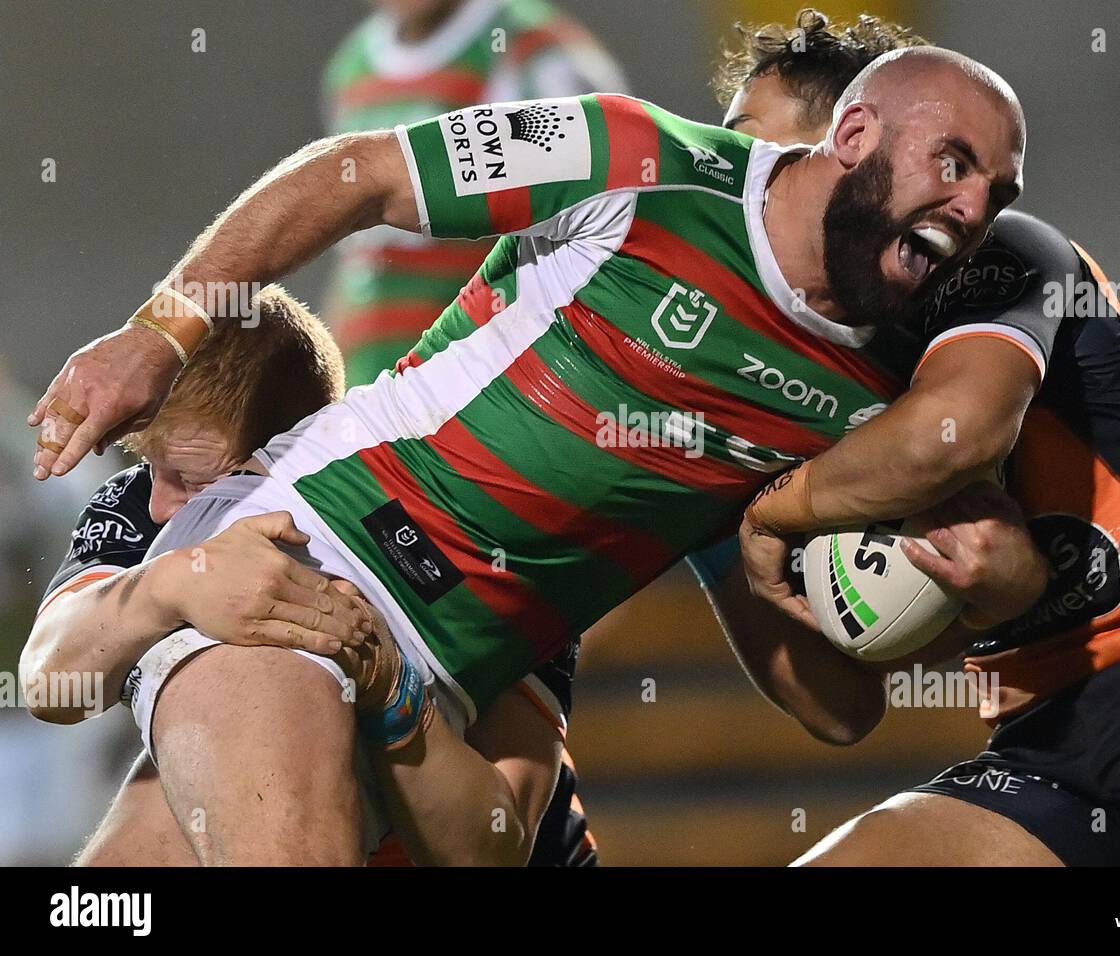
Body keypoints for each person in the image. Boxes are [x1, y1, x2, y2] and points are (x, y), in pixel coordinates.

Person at [29, 47, 1034, 862]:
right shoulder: (633, 153)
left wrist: (956, 583)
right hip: (310, 548)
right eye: (952, 161)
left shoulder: (873, 410)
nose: (975, 204)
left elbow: (839, 704)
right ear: (851, 134)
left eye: (997, 188)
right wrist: (159, 335)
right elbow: (365, 171)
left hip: (439, 690)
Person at [704, 8, 1120, 867]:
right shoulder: (780, 381)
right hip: (1039, 732)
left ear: (855, 142)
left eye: (757, 150)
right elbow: (840, 708)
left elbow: (952, 440)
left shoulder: (1002, 262)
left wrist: (767, 512)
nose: (734, 180)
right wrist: (706, 517)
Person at [22, 286, 595, 865]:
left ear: (295, 456)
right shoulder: (140, 502)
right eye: (153, 465)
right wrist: (174, 583)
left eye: (196, 482)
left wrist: (393, 694)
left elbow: (493, 848)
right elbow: (50, 681)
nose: (164, 509)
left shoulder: (483, 542)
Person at [323, 0, 627, 384]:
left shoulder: (530, 51)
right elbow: (360, 256)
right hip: (374, 377)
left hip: (485, 377)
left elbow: (593, 220)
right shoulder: (352, 69)